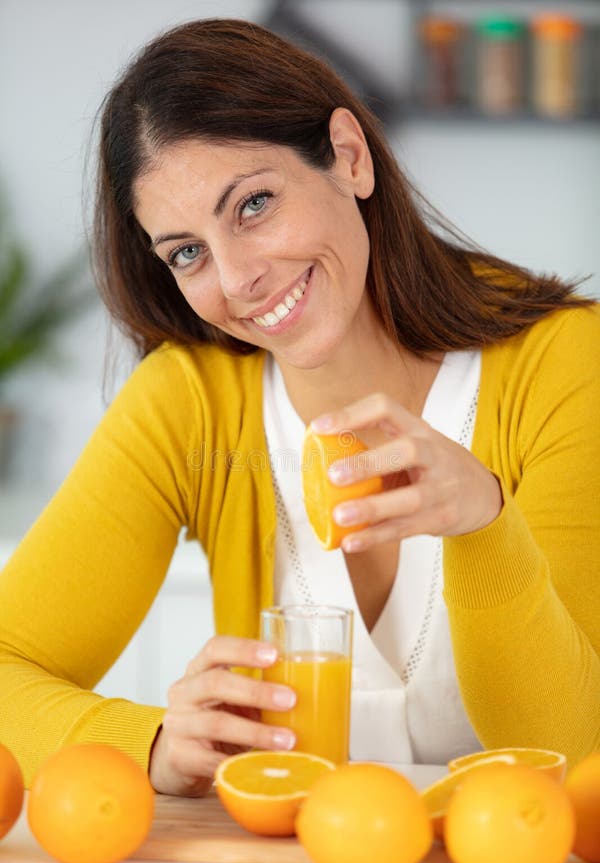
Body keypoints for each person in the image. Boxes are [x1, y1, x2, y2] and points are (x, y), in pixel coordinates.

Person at [1, 18, 598, 798]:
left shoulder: (561, 363)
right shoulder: (192, 404)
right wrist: (149, 744)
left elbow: (576, 753)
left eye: (252, 205)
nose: (238, 277)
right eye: (187, 251)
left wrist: (484, 524)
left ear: (348, 157)